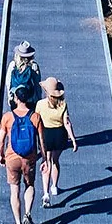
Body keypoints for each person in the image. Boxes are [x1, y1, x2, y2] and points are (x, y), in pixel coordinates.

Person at [0, 93, 41, 224]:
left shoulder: (7, 117)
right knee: (29, 185)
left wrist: (1, 155)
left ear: (16, 99)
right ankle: (27, 214)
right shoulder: (35, 117)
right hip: (29, 158)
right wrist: (45, 158)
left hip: (12, 158)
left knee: (14, 191)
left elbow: (0, 141)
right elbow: (42, 141)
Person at [34, 76, 77, 206]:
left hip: (46, 135)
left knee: (46, 162)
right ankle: (54, 186)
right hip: (59, 135)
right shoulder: (63, 104)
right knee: (55, 161)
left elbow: (36, 122)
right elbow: (67, 123)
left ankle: (46, 193)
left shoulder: (40, 104)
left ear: (47, 92)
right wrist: (73, 140)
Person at [6, 41, 41, 108]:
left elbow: (8, 83)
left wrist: (10, 97)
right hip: (29, 100)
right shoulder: (34, 66)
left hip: (16, 99)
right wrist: (38, 100)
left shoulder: (12, 65)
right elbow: (37, 85)